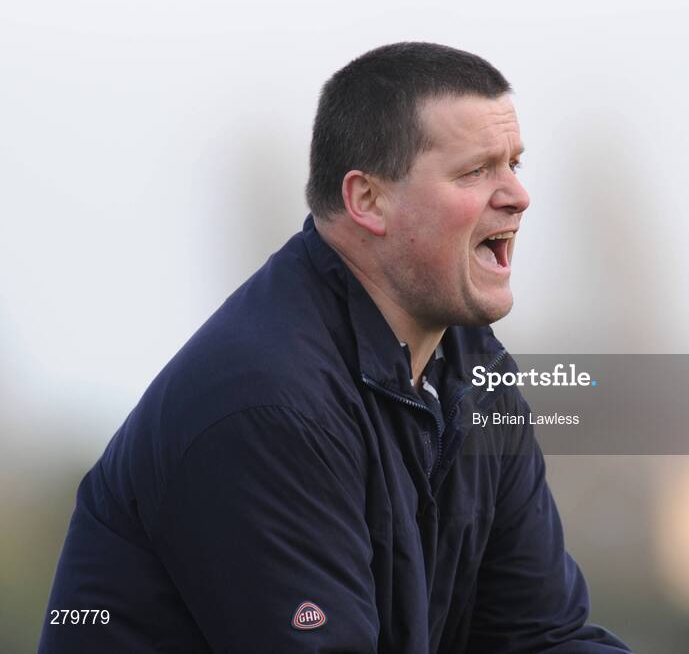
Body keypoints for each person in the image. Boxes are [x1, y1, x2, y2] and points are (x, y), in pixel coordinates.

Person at [40, 42, 630, 653]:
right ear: (367, 201)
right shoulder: (269, 402)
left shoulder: (475, 374)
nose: (516, 195)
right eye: (476, 171)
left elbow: (540, 638)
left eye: (515, 164)